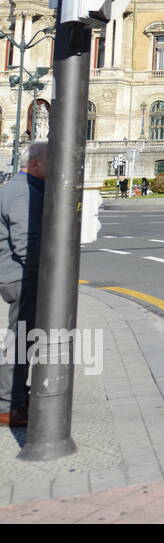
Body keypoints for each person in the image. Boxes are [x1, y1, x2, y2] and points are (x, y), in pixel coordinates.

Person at [0, 142, 47, 427]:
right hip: (22, 277)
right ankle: (8, 404)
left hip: (19, 275)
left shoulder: (22, 188)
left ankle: (14, 394)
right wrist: (47, 275)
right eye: (52, 162)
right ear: (36, 164)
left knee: (23, 339)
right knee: (20, 341)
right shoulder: (23, 192)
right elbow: (26, 243)